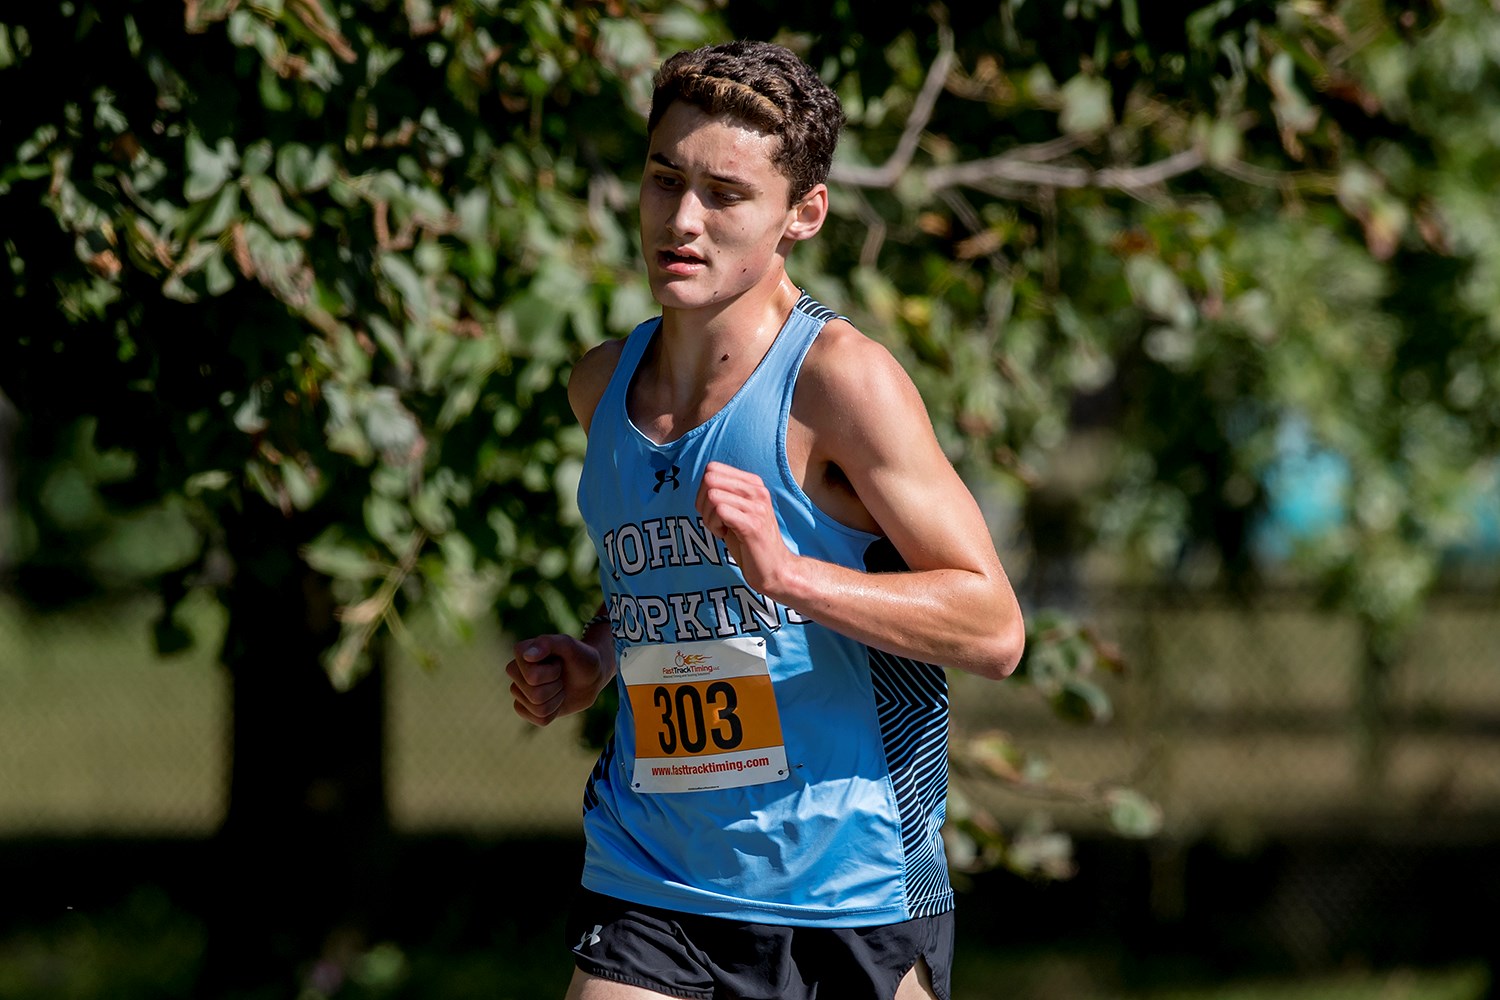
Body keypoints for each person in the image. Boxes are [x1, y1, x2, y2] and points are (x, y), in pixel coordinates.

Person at [506, 38, 1025, 1000]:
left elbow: (993, 627)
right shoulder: (601, 386)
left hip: (848, 889)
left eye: (726, 195)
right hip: (650, 875)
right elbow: (664, 584)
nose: (682, 221)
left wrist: (788, 574)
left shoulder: (840, 383)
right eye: (664, 180)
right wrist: (596, 661)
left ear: (802, 215)